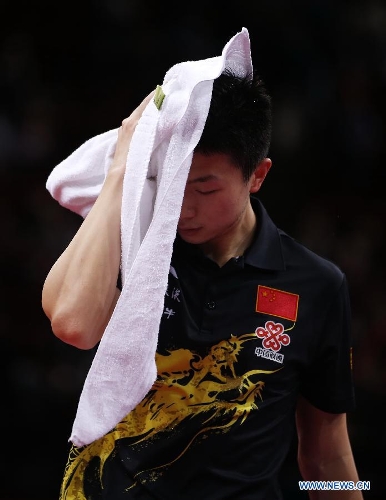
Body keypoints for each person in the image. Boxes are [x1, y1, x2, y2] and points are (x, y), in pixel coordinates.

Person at [42, 70, 363, 499]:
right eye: (172, 182)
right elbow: (73, 324)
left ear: (257, 176)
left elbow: (327, 456)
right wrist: (124, 165)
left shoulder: (317, 286)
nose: (183, 207)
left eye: (205, 188)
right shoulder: (133, 238)